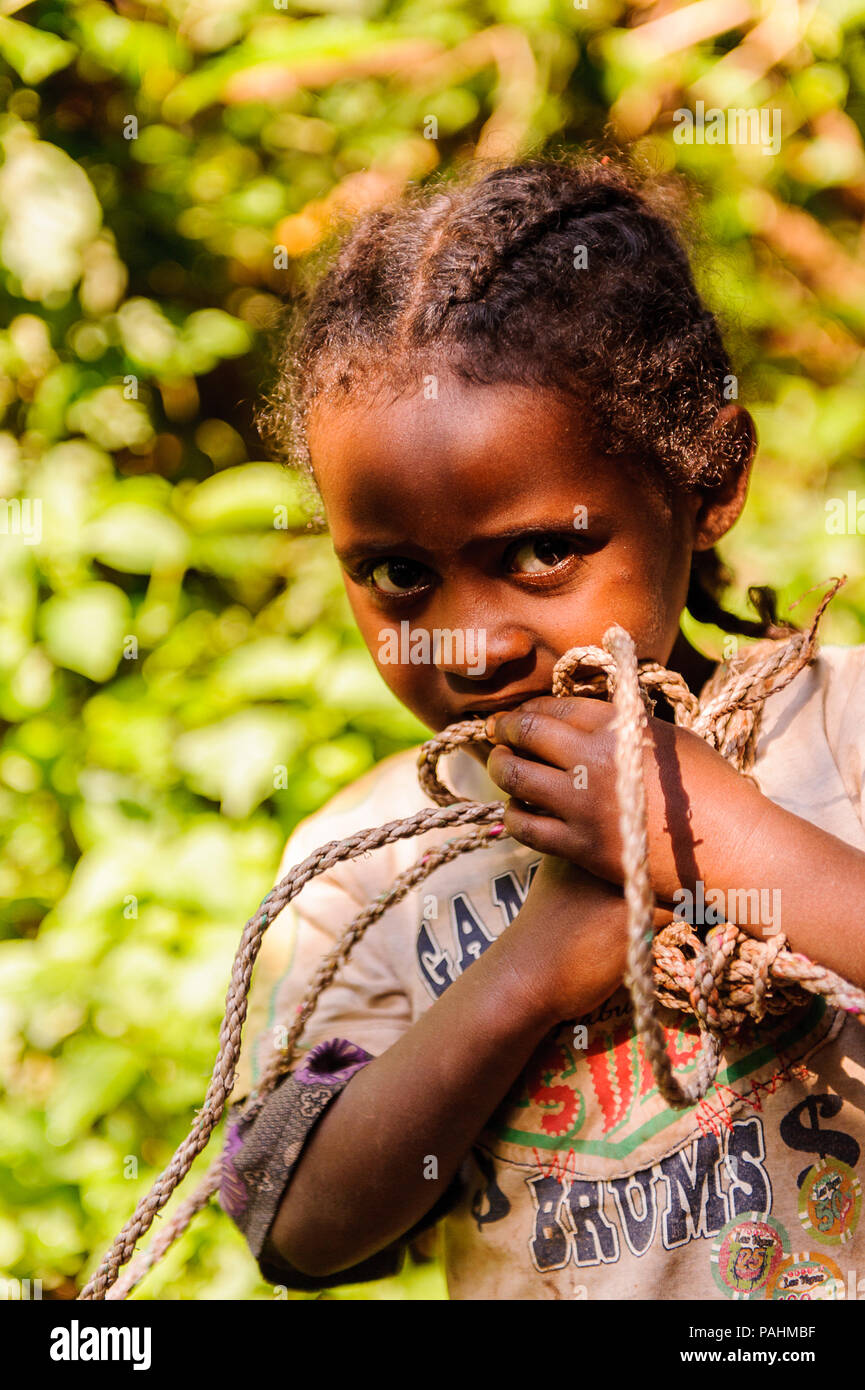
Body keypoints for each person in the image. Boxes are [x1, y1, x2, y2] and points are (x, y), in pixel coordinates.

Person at [218, 154, 865, 1300]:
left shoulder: (842, 732)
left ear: (707, 477)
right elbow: (298, 1231)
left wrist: (733, 845)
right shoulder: (367, 865)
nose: (468, 643)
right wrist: (522, 979)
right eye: (399, 574)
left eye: (541, 552)